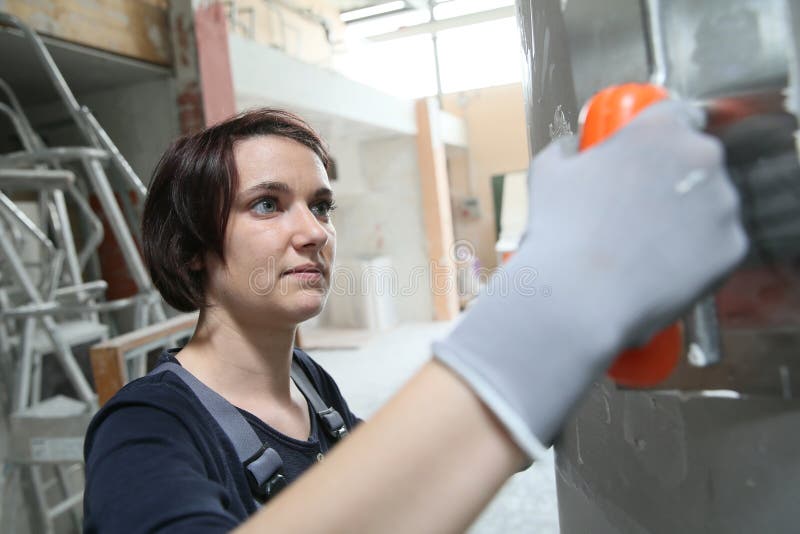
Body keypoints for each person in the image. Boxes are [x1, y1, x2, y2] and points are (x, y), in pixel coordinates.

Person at [83, 101, 747, 533]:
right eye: (267, 204)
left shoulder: (309, 383)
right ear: (193, 250)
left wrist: (550, 388)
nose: (312, 231)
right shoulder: (145, 430)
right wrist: (534, 335)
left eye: (320, 205)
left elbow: (381, 463)